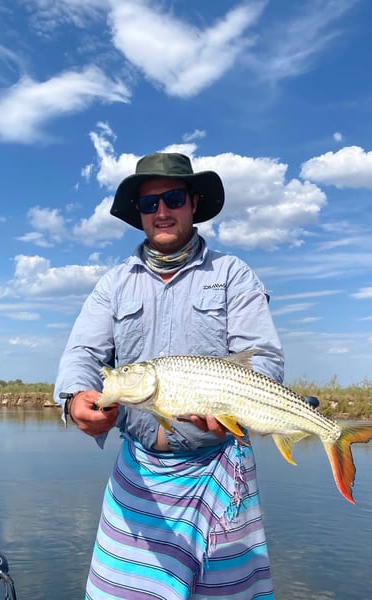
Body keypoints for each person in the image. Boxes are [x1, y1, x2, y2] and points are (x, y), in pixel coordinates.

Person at [54, 152, 285, 599]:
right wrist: (75, 396)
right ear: (138, 215)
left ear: (193, 203)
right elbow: (84, 351)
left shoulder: (233, 275)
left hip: (220, 470)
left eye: (173, 198)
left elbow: (265, 359)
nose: (161, 211)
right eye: (148, 204)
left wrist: (235, 403)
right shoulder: (114, 283)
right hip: (138, 475)